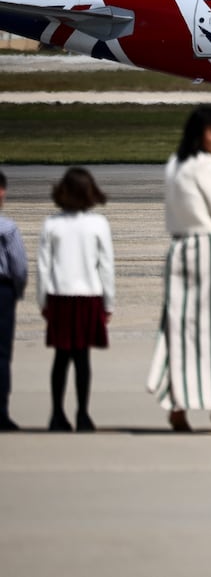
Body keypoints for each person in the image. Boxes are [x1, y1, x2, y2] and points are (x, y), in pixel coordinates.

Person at [147, 106, 211, 432]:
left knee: (179, 328)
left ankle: (178, 402)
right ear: (200, 134)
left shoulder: (174, 164)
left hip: (180, 248)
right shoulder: (206, 165)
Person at [37, 168, 114, 432]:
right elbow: (106, 267)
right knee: (82, 359)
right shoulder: (98, 224)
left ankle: (57, 413)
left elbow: (43, 267)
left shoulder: (52, 224)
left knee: (61, 358)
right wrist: (109, 303)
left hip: (59, 296)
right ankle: (82, 413)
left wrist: (43, 302)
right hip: (88, 296)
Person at [0, 169, 25, 430]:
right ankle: (1, 412)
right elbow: (19, 267)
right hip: (2, 290)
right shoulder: (7, 228)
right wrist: (17, 291)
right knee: (2, 355)